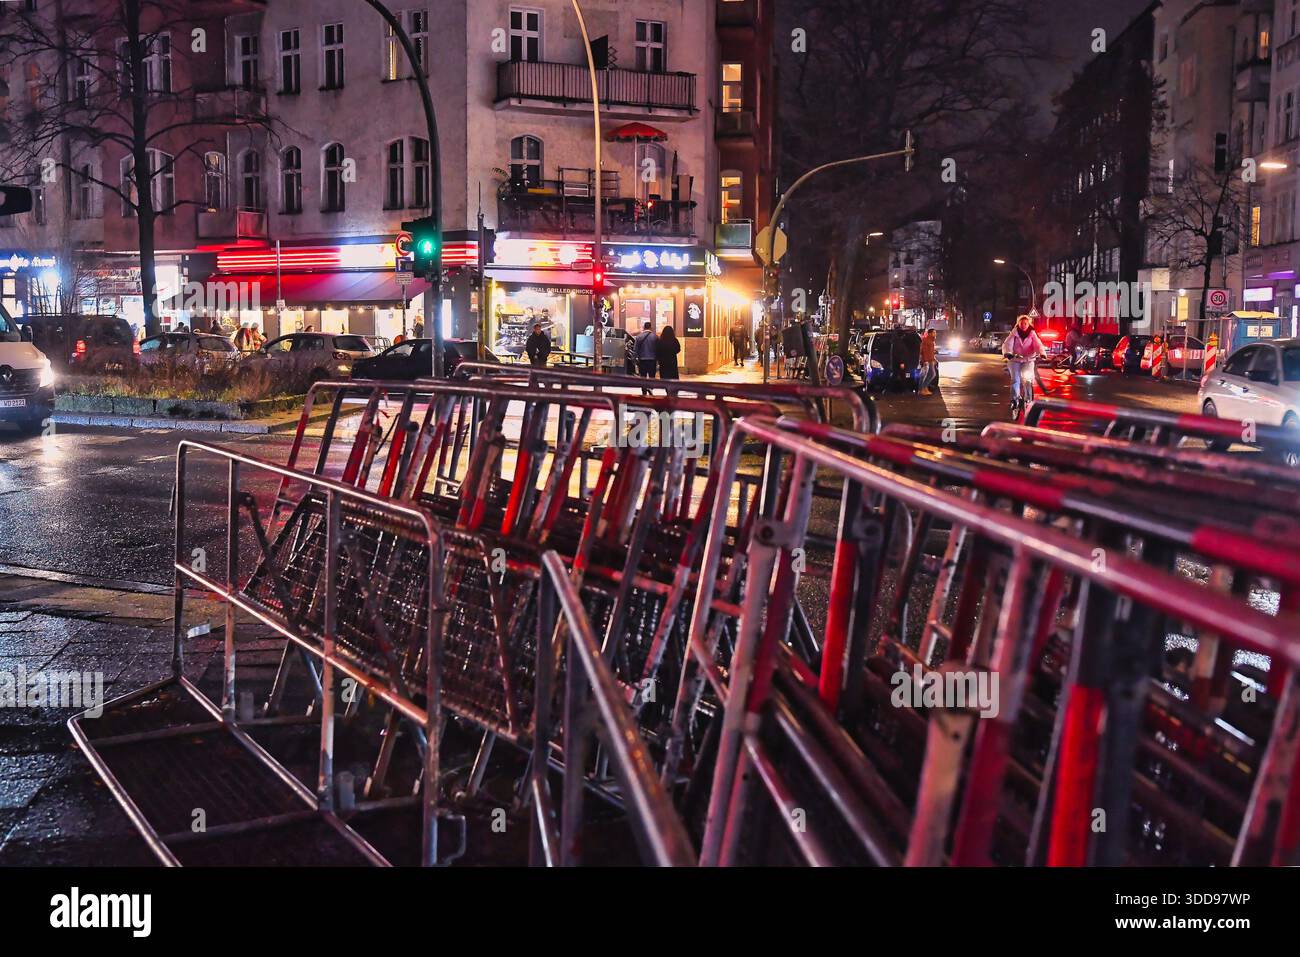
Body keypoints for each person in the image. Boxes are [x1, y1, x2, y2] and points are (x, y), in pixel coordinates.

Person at [1001, 313, 1046, 407]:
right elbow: (1007, 344)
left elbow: (1038, 344)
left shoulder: (1032, 334)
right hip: (1015, 360)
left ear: (1029, 324)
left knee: (1027, 379)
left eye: (1025, 323)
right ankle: (1014, 399)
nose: (1023, 325)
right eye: (1021, 323)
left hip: (1028, 360)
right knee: (1015, 379)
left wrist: (1042, 353)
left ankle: (1029, 400)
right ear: (1018, 324)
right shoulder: (1014, 333)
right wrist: (1008, 353)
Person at [919, 329, 938, 395]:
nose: (935, 334)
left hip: (931, 360)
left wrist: (934, 359)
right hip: (927, 361)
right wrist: (925, 361)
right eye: (934, 332)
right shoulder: (926, 340)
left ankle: (924, 388)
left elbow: (931, 352)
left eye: (935, 332)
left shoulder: (931, 340)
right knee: (929, 374)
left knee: (930, 374)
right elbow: (924, 351)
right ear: (929, 333)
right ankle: (922, 389)